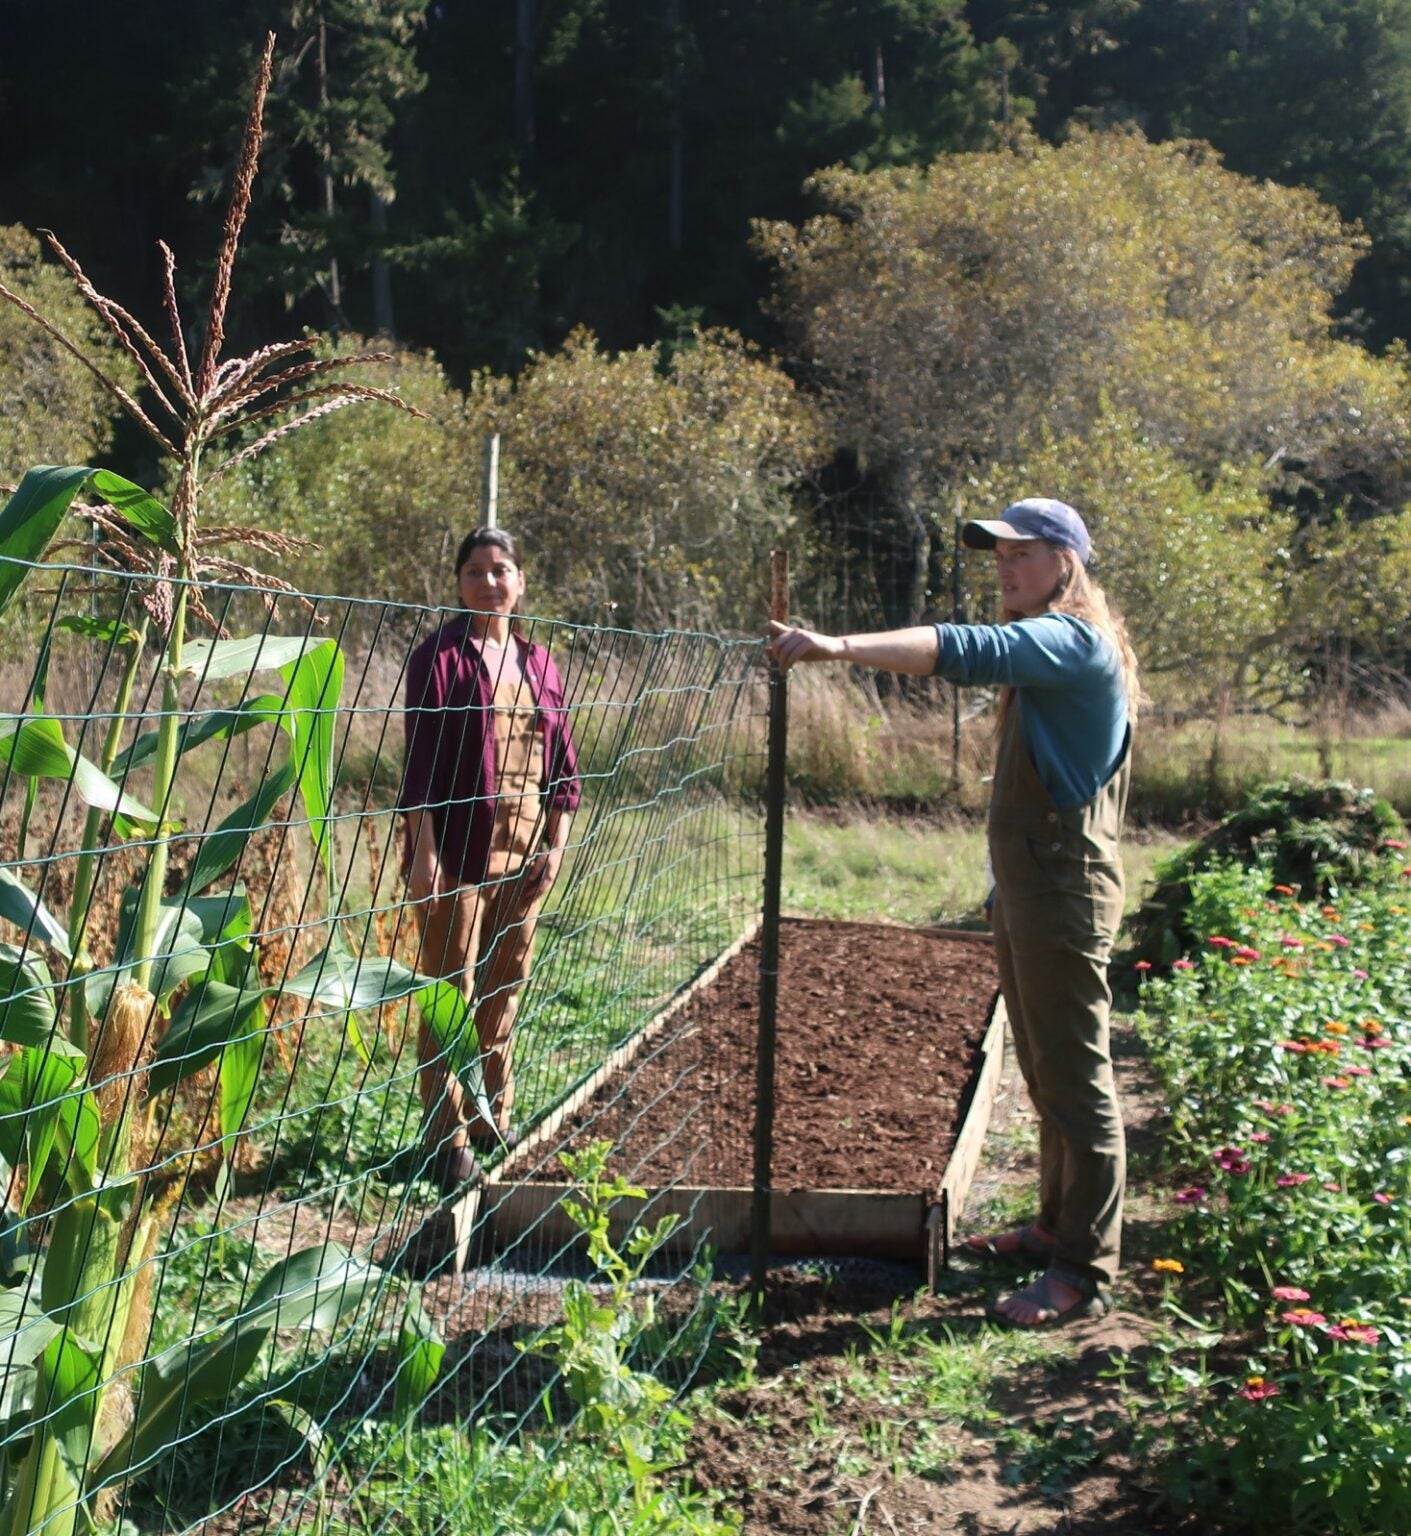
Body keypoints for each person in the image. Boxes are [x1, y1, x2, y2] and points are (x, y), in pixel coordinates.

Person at [767, 498, 1138, 1328]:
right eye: (996, 553)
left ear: (1065, 563)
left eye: (1021, 553)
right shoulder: (1056, 643)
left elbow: (965, 650)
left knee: (1078, 1081)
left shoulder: (1070, 641)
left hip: (1063, 890)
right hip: (1033, 886)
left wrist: (836, 646)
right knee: (1045, 1070)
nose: (1003, 567)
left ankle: (1084, 1271)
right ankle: (1053, 1227)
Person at [401, 527, 580, 1192]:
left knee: (505, 986)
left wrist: (555, 845)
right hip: (456, 855)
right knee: (451, 994)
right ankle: (444, 1140)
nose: (488, 582)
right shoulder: (439, 658)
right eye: (474, 571)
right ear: (457, 582)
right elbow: (417, 764)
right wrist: (423, 854)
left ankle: (489, 1115)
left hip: (524, 855)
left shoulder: (540, 664)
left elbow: (563, 767)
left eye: (500, 569)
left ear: (520, 581)